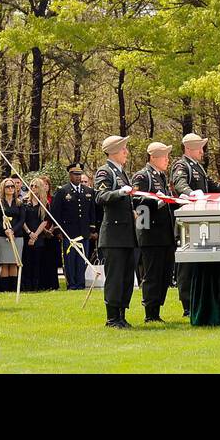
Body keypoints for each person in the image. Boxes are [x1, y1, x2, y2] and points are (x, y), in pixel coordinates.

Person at [169, 131, 220, 316]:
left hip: (201, 222)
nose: (203, 151)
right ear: (189, 148)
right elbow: (179, 183)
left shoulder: (198, 167)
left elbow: (213, 186)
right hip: (188, 223)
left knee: (200, 265)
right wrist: (190, 193)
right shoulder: (181, 165)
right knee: (187, 267)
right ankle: (187, 305)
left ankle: (200, 302)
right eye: (200, 148)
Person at [94, 135, 137, 328]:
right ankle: (112, 318)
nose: (126, 152)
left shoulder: (121, 173)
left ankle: (121, 315)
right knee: (115, 277)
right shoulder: (105, 172)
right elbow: (101, 196)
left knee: (127, 277)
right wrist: (119, 192)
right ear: (113, 152)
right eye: (123, 149)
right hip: (113, 236)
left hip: (127, 235)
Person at [132, 142, 177, 322]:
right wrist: (158, 201)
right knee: (153, 274)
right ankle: (150, 313)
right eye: (164, 156)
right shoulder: (143, 176)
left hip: (165, 234)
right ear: (153, 157)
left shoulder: (161, 177)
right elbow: (137, 201)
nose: (167, 160)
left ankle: (157, 310)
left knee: (165, 274)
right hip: (150, 234)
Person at [51, 163, 95, 290]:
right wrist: (58, 230)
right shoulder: (62, 191)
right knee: (70, 260)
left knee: (82, 259)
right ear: (70, 175)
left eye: (79, 174)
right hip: (69, 233)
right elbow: (56, 212)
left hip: (84, 232)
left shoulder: (88, 191)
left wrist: (92, 229)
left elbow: (91, 212)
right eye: (75, 174)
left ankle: (81, 283)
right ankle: (72, 284)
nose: (78, 177)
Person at [0, 178, 27, 291]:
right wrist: (5, 230)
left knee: (14, 262)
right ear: (3, 188)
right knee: (4, 263)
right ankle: (5, 289)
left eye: (12, 186)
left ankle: (13, 289)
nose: (10, 188)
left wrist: (12, 230)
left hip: (17, 236)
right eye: (8, 186)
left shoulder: (19, 203)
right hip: (2, 236)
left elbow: (22, 220)